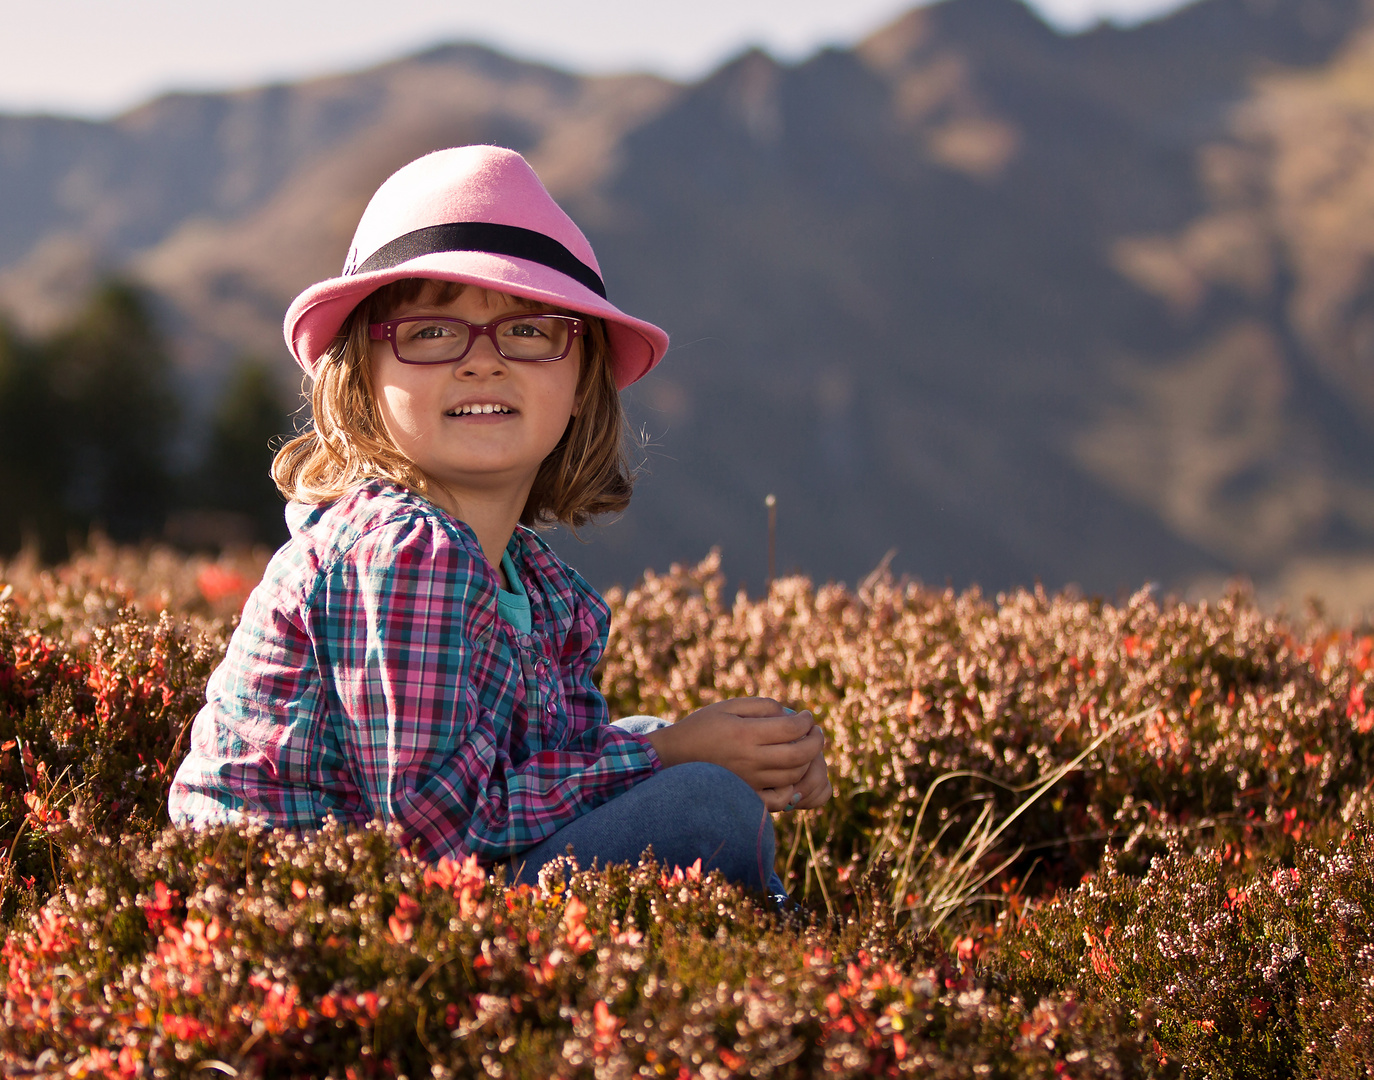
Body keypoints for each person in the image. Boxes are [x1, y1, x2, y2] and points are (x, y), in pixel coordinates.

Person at [168, 145, 832, 898]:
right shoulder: (402, 552)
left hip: (413, 894)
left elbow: (549, 765)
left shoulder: (539, 586)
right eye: (430, 332)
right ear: (364, 378)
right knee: (704, 805)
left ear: (580, 380)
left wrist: (733, 748)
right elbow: (433, 835)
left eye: (529, 331)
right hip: (307, 918)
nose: (482, 362)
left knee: (697, 773)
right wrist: (671, 757)